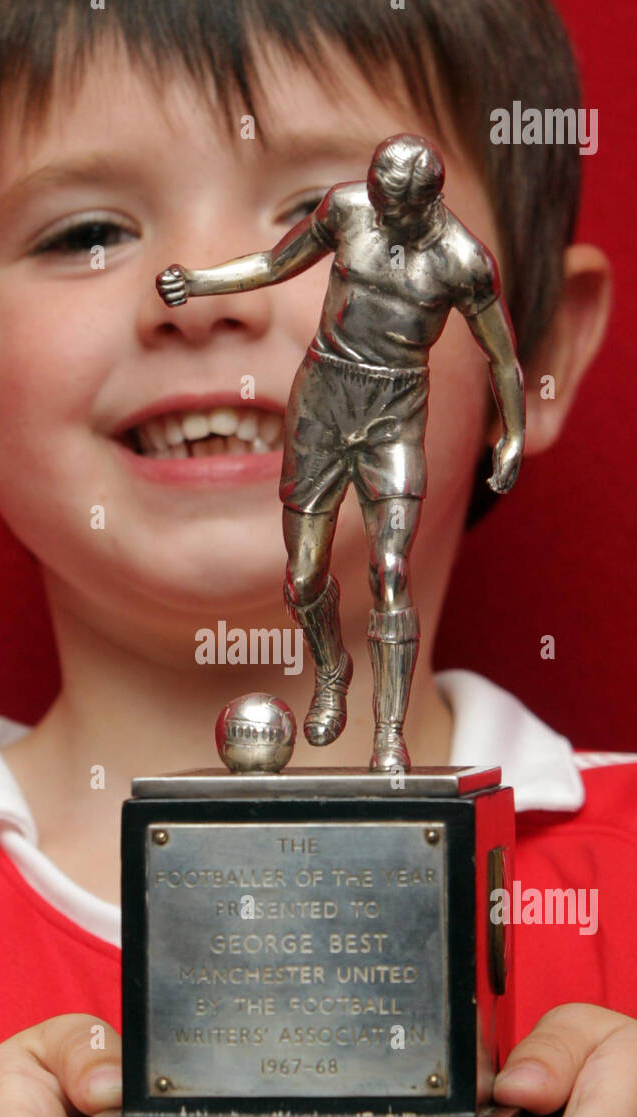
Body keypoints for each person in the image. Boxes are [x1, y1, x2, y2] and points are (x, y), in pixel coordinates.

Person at [0, 0, 637, 1117]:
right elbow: (250, 273)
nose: (190, 302)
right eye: (88, 231)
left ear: (554, 346)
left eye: (345, 178)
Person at [156, 132, 525, 770]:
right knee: (302, 579)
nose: (382, 217)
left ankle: (388, 737)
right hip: (323, 397)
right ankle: (333, 667)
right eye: (378, 202)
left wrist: (514, 432)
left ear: (427, 205)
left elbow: (502, 356)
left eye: (396, 211)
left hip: (396, 414)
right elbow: (275, 265)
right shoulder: (347, 210)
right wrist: (198, 282)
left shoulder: (463, 261)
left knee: (390, 572)